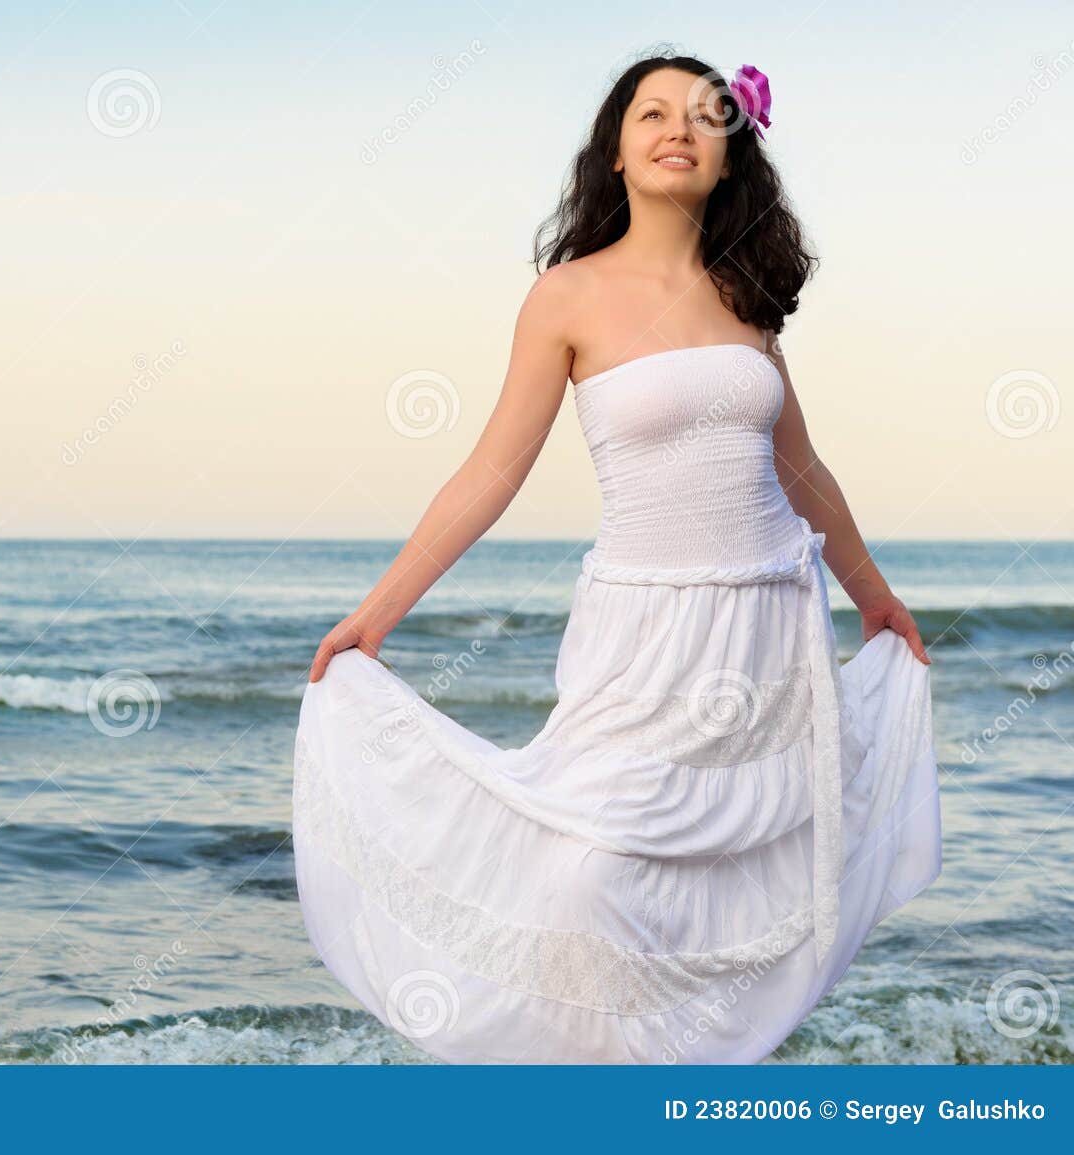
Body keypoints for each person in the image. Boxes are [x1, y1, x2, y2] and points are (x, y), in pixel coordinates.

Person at [294, 53, 942, 1064]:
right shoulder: (567, 296)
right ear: (617, 149)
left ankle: (676, 1088)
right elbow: (489, 473)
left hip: (767, 623)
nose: (676, 127)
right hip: (642, 632)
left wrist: (876, 599)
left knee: (730, 885)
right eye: (651, 113)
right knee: (586, 875)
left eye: (700, 115)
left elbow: (801, 467)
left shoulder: (746, 302)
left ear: (730, 156)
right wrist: (377, 614)